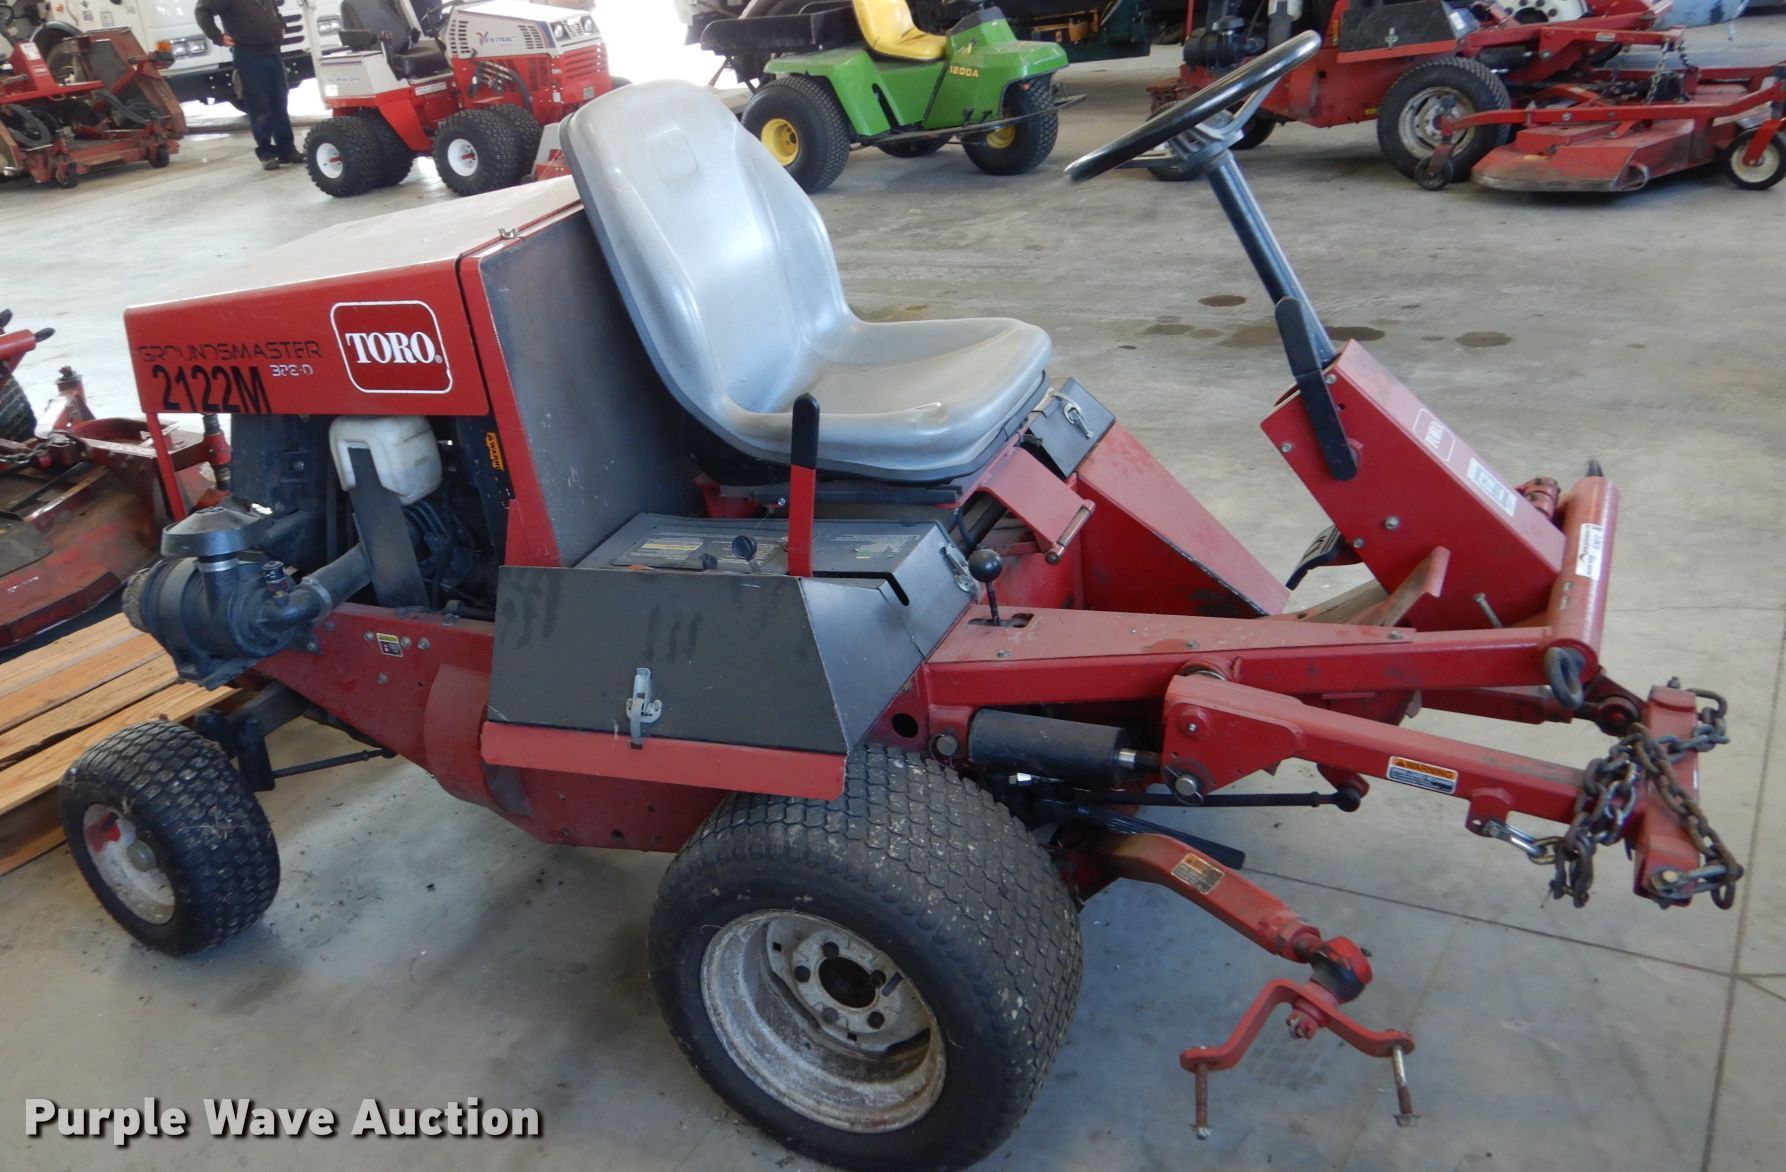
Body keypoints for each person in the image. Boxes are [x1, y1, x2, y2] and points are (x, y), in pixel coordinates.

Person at [195, 0, 300, 170]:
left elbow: (272, 8)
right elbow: (202, 11)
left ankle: (286, 150)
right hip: (248, 56)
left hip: (273, 52)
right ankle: (266, 153)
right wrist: (217, 37)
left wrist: (280, 24)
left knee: (280, 101)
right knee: (259, 105)